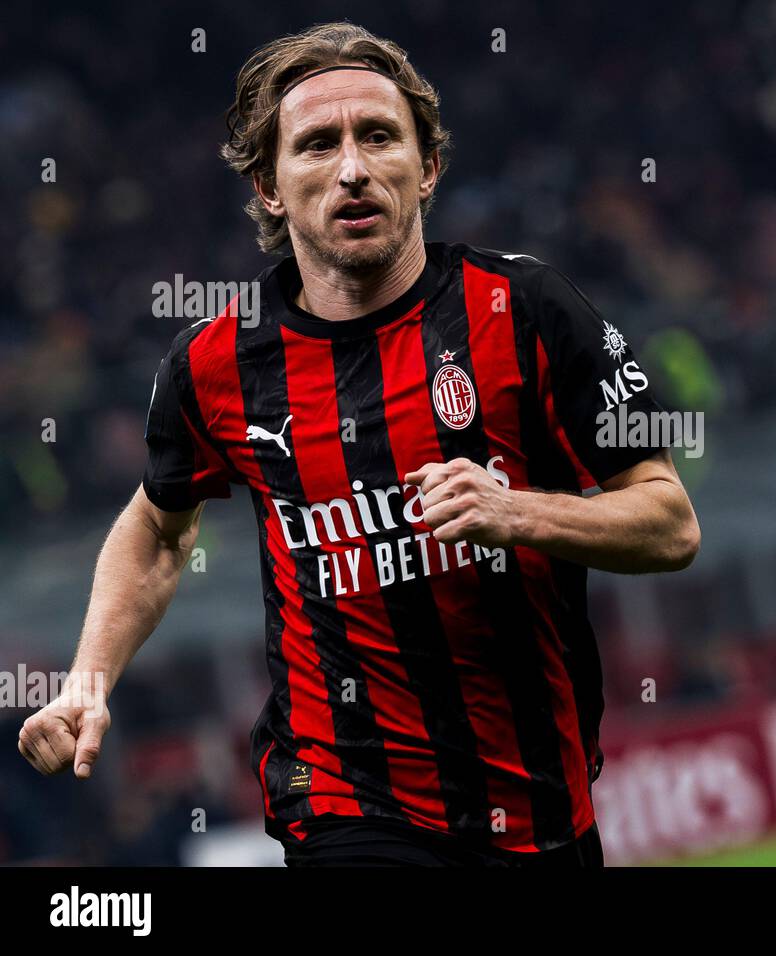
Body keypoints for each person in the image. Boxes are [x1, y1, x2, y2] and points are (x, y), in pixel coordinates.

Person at [17, 22, 700, 867]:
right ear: (269, 185)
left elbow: (670, 522)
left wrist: (517, 510)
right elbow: (159, 530)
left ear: (429, 168)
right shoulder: (215, 364)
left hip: (539, 803)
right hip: (341, 802)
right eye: (316, 145)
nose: (351, 168)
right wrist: (89, 676)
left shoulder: (528, 309)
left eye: (379, 137)